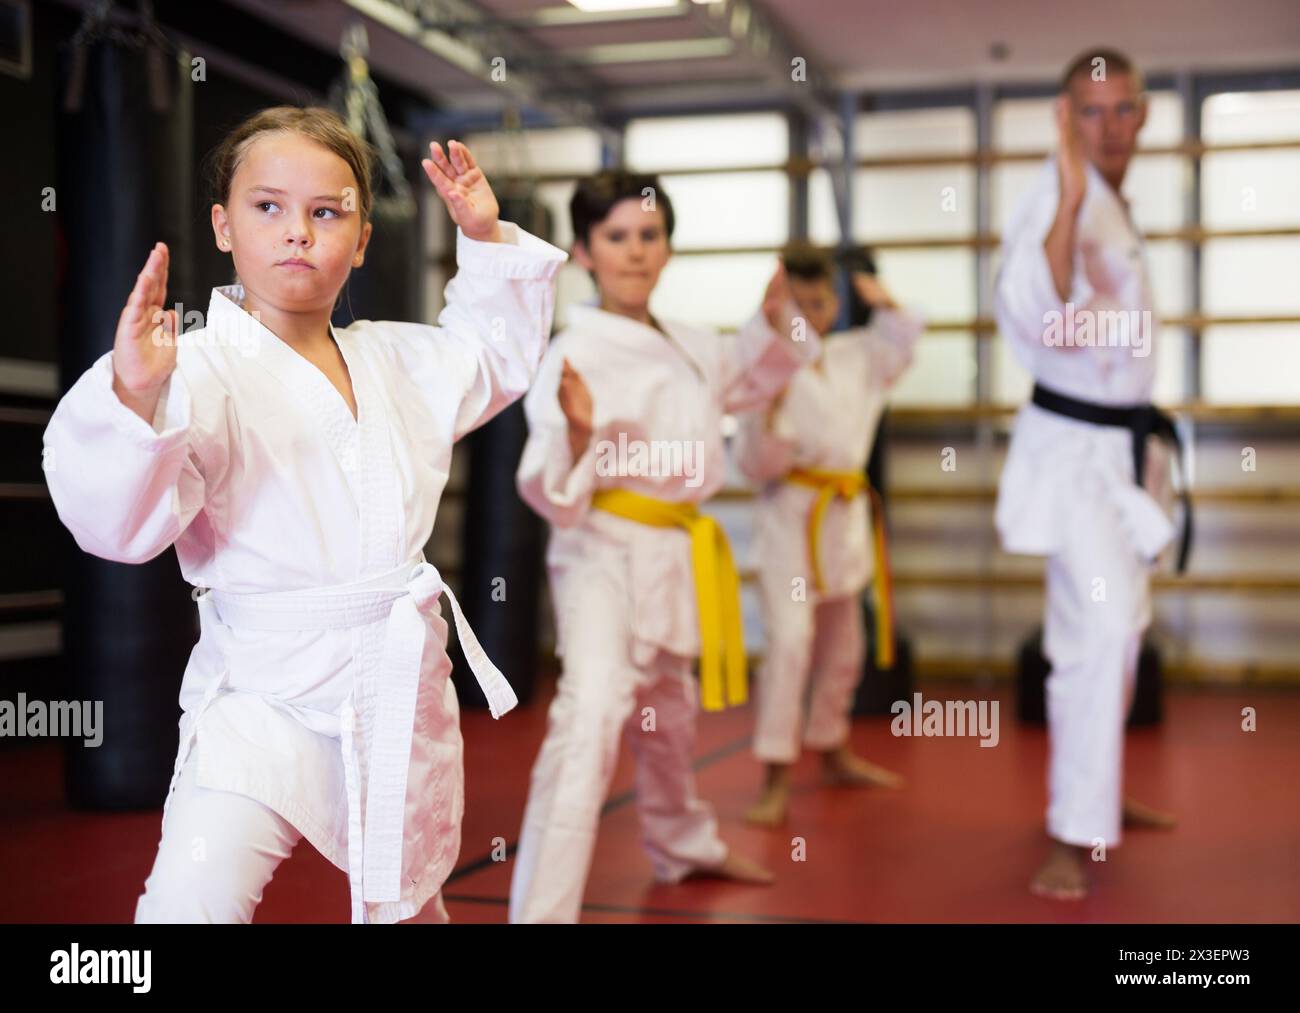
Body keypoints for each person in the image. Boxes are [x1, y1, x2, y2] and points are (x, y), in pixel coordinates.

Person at [42, 106, 567, 923]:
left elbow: (488, 355)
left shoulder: (395, 359)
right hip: (262, 696)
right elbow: (114, 523)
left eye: (327, 212)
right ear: (222, 226)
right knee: (189, 902)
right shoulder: (200, 369)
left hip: (391, 687)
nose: (298, 232)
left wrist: (486, 237)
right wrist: (136, 393)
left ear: (361, 240)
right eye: (268, 207)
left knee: (409, 905)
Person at [508, 170, 818, 923]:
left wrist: (778, 322)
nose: (635, 252)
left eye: (649, 235)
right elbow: (544, 486)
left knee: (669, 712)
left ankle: (682, 843)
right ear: (584, 251)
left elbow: (751, 377)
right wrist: (580, 436)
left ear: (668, 246)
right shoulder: (571, 352)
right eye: (616, 237)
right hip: (600, 555)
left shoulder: (690, 342)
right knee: (590, 716)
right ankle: (540, 912)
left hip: (675, 555)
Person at [994, 49, 1181, 901]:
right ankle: (1073, 831)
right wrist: (1067, 203)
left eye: (1122, 110)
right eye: (1089, 112)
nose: (1108, 128)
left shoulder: (1120, 205)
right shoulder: (1057, 195)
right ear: (1064, 118)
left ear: (1141, 114)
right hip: (1074, 455)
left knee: (1125, 626)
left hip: (1128, 451)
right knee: (1096, 634)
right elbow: (1036, 308)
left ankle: (1095, 793)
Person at [734, 243, 923, 827]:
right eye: (800, 302)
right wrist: (771, 410)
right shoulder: (768, 367)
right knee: (791, 645)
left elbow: (901, 342)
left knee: (846, 644)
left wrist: (886, 300)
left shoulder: (855, 354)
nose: (811, 314)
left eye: (821, 301)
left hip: (845, 513)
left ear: (836, 303)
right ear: (780, 303)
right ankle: (775, 775)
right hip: (793, 514)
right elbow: (754, 464)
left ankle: (834, 747)